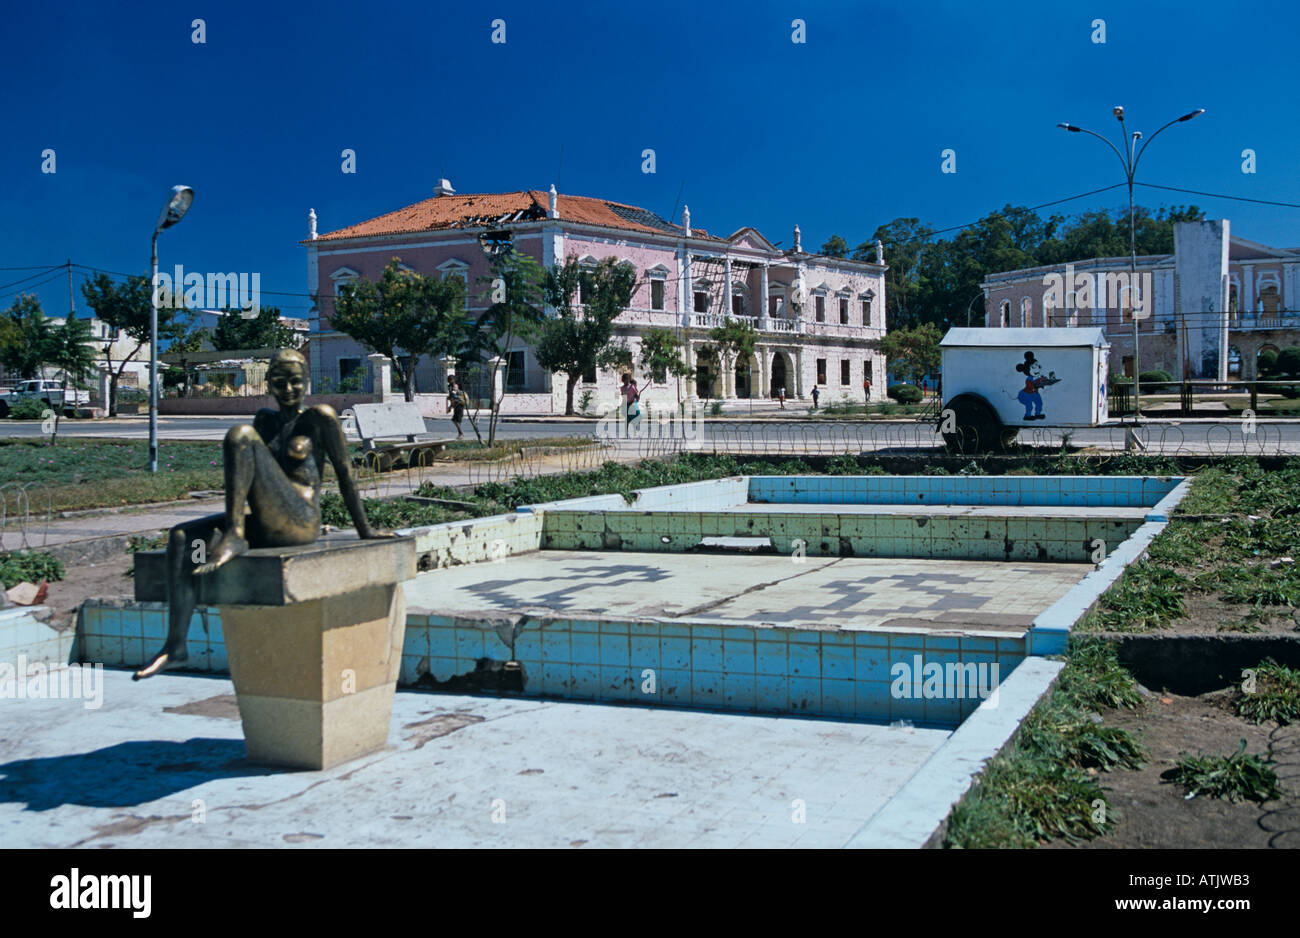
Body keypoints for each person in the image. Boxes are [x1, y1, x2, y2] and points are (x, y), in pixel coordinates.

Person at [133, 348, 390, 680]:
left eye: (296, 382)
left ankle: (236, 536)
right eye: (280, 383)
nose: (288, 390)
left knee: (240, 437)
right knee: (183, 538)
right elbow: (255, 482)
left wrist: (365, 530)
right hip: (269, 524)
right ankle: (176, 646)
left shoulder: (319, 419)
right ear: (268, 384)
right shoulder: (264, 423)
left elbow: (345, 475)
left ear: (307, 382)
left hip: (302, 521)